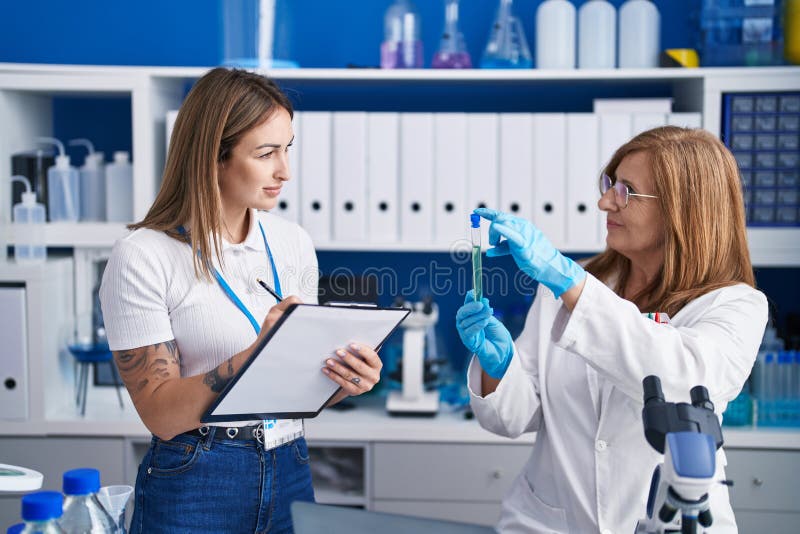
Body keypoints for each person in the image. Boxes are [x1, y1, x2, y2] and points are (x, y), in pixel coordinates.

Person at [99, 68, 381, 533]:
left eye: (287, 149)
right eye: (266, 153)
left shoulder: (293, 243)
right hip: (196, 477)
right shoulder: (143, 255)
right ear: (214, 157)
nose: (284, 171)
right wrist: (256, 353)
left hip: (290, 464)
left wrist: (343, 381)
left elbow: (296, 389)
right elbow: (161, 414)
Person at [455, 126, 767, 533]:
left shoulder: (735, 305)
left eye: (626, 190)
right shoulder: (573, 284)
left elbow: (682, 382)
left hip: (673, 522)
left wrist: (570, 284)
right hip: (549, 523)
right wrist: (499, 368)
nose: (605, 202)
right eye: (610, 183)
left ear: (682, 208)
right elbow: (515, 417)